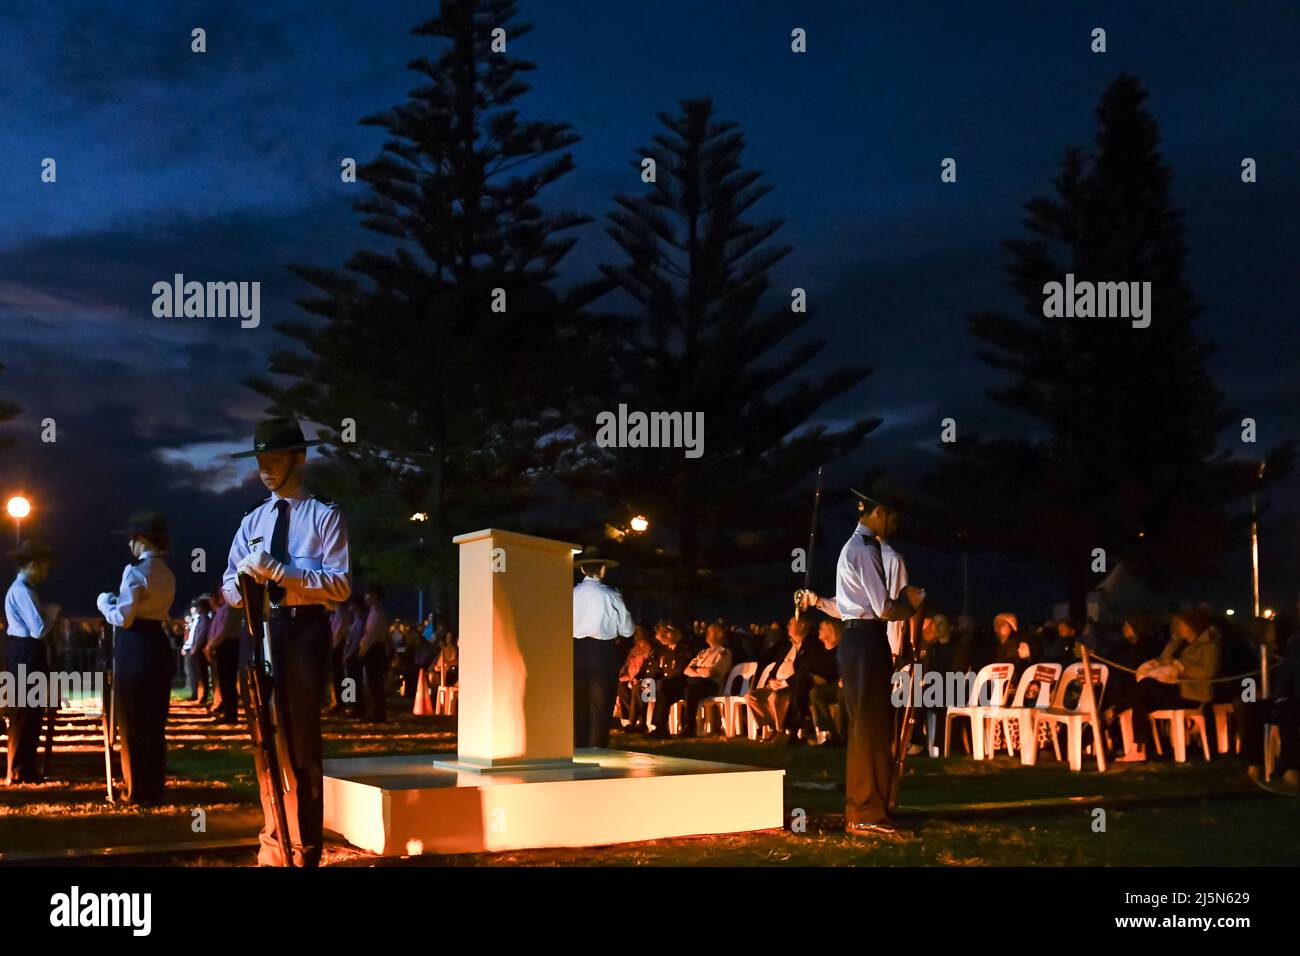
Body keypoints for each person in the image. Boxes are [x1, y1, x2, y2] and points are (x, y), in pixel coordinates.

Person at [222, 416, 351, 868]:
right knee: (262, 738)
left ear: (300, 457)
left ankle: (305, 846)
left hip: (302, 631)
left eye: (274, 458)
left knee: (301, 743)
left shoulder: (324, 516)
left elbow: (339, 585)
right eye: (259, 460)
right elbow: (228, 585)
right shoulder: (253, 520)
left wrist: (281, 573)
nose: (265, 468)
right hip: (259, 629)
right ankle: (274, 841)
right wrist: (242, 584)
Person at [799, 487, 923, 835]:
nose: (896, 524)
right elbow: (883, 607)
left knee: (863, 726)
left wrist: (818, 602)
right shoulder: (867, 550)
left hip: (854, 639)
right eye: (894, 516)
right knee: (870, 726)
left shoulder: (849, 548)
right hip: (867, 641)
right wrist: (911, 602)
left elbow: (846, 605)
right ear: (879, 512)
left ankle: (863, 808)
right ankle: (868, 812)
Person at [96, 512, 177, 805]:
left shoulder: (135, 572)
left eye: (131, 538)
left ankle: (136, 790)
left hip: (135, 646)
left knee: (132, 721)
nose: (130, 544)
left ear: (140, 540)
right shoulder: (167, 573)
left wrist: (104, 603)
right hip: (158, 643)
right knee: (155, 722)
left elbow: (124, 617)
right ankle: (154, 787)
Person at [1118, 608, 1221, 763]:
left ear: (1193, 626)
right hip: (1176, 689)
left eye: (1183, 625)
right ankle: (1138, 748)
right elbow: (1166, 659)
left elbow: (1207, 672)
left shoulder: (1209, 647)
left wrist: (1181, 665)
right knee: (1141, 698)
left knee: (1143, 687)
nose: (1180, 628)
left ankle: (1115, 711)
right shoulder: (1181, 645)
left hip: (1191, 695)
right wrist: (1166, 654)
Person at [3, 540, 60, 784]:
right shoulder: (24, 591)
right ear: (34, 565)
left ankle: (22, 769)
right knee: (26, 713)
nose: (46, 572)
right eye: (45, 567)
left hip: (21, 652)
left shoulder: (20, 589)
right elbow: (38, 629)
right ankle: (20, 770)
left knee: (26, 712)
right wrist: (52, 615)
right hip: (27, 652)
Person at [571, 547, 633, 749]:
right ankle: (597, 749)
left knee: (578, 705)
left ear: (582, 570)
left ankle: (577, 748)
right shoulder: (611, 595)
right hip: (602, 652)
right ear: (603, 569)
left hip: (576, 650)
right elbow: (627, 629)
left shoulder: (571, 594)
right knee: (600, 705)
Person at [681, 623, 733, 736]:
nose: (706, 633)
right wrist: (701, 671)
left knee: (691, 689)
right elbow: (686, 670)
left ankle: (690, 726)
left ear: (718, 635)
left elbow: (711, 673)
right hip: (696, 682)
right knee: (680, 686)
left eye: (710, 631)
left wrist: (696, 670)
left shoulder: (724, 653)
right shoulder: (703, 652)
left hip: (711, 685)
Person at [647, 624, 692, 737]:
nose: (665, 635)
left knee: (662, 687)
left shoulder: (684, 649)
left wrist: (660, 682)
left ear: (677, 634)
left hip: (680, 686)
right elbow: (660, 670)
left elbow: (680, 673)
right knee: (646, 686)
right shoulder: (666, 651)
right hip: (666, 686)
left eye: (668, 632)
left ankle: (659, 727)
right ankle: (642, 722)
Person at [206, 588, 242, 724]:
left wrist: (211, 645)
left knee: (228, 681)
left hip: (228, 645)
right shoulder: (224, 608)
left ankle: (231, 714)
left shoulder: (231, 608)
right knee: (224, 681)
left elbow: (224, 631)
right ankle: (228, 711)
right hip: (222, 646)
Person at [357, 584, 390, 722]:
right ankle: (375, 711)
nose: (366, 598)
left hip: (374, 651)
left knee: (374, 683)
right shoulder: (373, 612)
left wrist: (362, 651)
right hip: (374, 650)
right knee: (371, 683)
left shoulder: (377, 613)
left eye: (369, 595)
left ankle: (377, 713)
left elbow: (370, 635)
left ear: (375, 596)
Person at [809, 618, 845, 745]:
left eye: (823, 628)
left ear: (832, 631)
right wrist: (813, 676)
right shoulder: (819, 651)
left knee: (842, 694)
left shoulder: (841, 650)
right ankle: (831, 732)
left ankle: (844, 735)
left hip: (841, 684)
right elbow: (810, 667)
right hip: (829, 686)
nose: (819, 631)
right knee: (815, 693)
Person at [617, 626, 655, 731]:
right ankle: (628, 720)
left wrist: (634, 678)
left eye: (638, 633)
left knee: (640, 686)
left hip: (645, 679)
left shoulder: (650, 649)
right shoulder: (634, 650)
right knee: (621, 686)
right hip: (630, 678)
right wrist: (622, 676)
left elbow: (647, 668)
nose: (636, 636)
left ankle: (637, 721)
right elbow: (626, 665)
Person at [327, 600, 354, 713]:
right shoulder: (338, 611)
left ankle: (343, 702)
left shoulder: (341, 611)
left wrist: (332, 645)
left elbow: (340, 630)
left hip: (339, 647)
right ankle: (340, 701)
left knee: (341, 676)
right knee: (338, 676)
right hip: (338, 646)